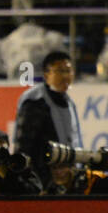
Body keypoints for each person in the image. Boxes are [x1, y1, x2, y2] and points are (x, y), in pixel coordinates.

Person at [13, 51, 83, 189]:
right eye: (60, 71)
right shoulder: (34, 102)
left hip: (65, 181)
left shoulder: (69, 102)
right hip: (42, 183)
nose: (65, 76)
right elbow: (24, 147)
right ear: (46, 75)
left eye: (68, 71)